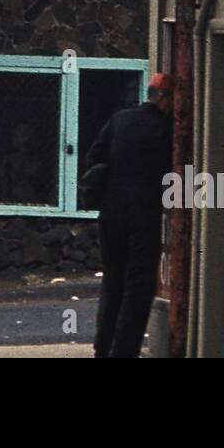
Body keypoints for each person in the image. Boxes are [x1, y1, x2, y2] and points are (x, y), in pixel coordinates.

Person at [85, 71, 174, 358]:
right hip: (144, 214)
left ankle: (103, 345)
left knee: (113, 279)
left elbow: (94, 157)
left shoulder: (120, 119)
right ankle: (124, 350)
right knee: (139, 283)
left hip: (110, 212)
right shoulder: (166, 127)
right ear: (163, 98)